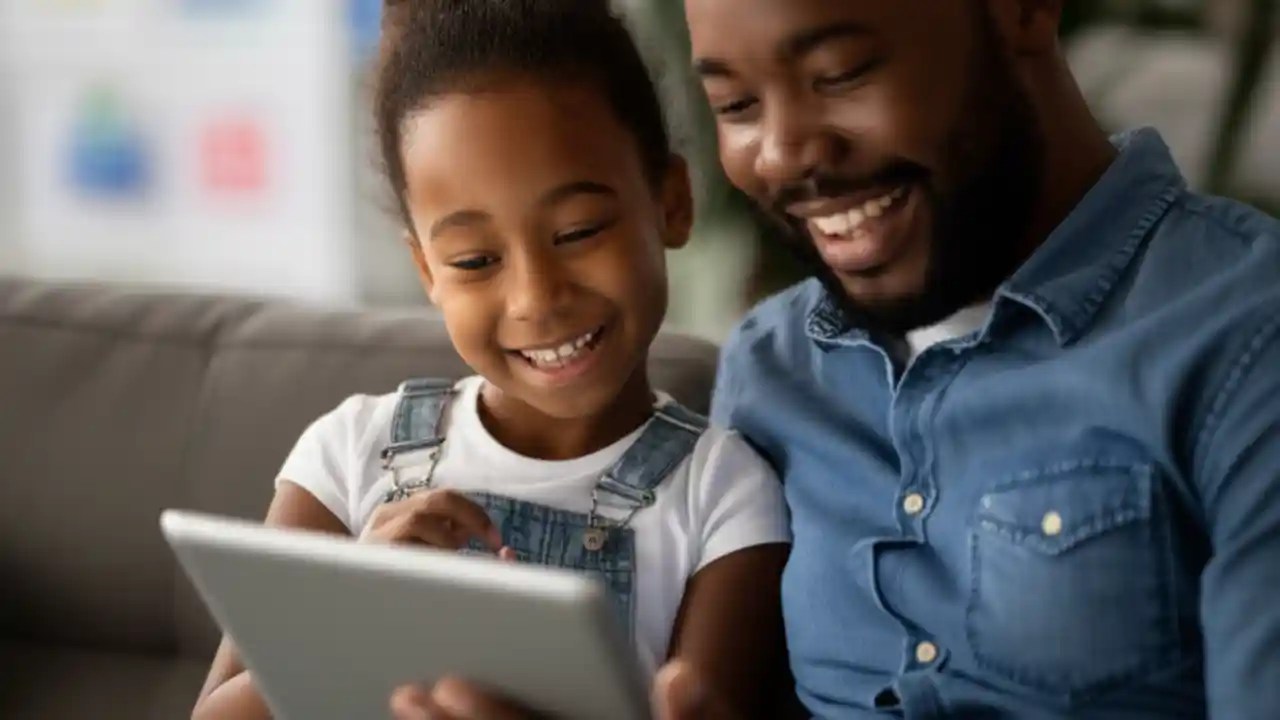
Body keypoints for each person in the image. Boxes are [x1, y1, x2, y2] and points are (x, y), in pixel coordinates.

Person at [393, 0, 1280, 718]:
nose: (783, 154)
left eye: (842, 73)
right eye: (737, 107)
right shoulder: (774, 370)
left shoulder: (1244, 337)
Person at [189, 1, 794, 718]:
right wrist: (357, 615)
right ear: (427, 271)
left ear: (671, 203)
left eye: (578, 231)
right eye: (475, 260)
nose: (536, 297)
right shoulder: (350, 454)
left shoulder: (723, 492)